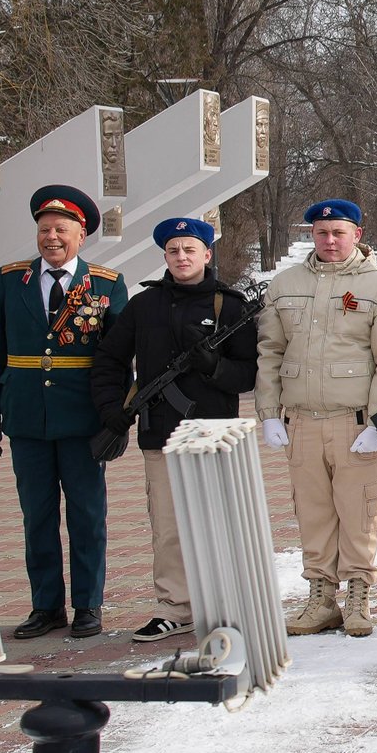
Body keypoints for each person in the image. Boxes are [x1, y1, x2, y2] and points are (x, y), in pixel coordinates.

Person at [90, 216, 258, 643]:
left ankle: (226, 601)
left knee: (219, 520)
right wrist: (113, 408)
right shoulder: (143, 306)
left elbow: (250, 374)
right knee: (168, 525)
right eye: (173, 250)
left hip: (213, 433)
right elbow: (109, 359)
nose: (181, 257)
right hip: (160, 430)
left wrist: (215, 367)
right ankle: (174, 606)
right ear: (164, 256)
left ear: (206, 254)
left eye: (189, 249)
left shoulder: (230, 307)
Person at [0, 185, 129, 640]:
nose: (52, 238)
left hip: (83, 418)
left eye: (61, 230)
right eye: (45, 230)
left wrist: (116, 417)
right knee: (36, 516)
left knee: (86, 514)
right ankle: (46, 606)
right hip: (26, 416)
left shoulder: (104, 283)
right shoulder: (11, 279)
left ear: (81, 235)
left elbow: (118, 359)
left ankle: (87, 605)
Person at [255, 199, 377, 637]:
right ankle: (321, 599)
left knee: (358, 511)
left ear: (357, 235)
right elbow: (269, 353)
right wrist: (269, 413)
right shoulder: (284, 285)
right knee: (313, 512)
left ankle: (359, 595)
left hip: (354, 422)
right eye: (321, 233)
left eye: (338, 233)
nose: (329, 240)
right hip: (301, 421)